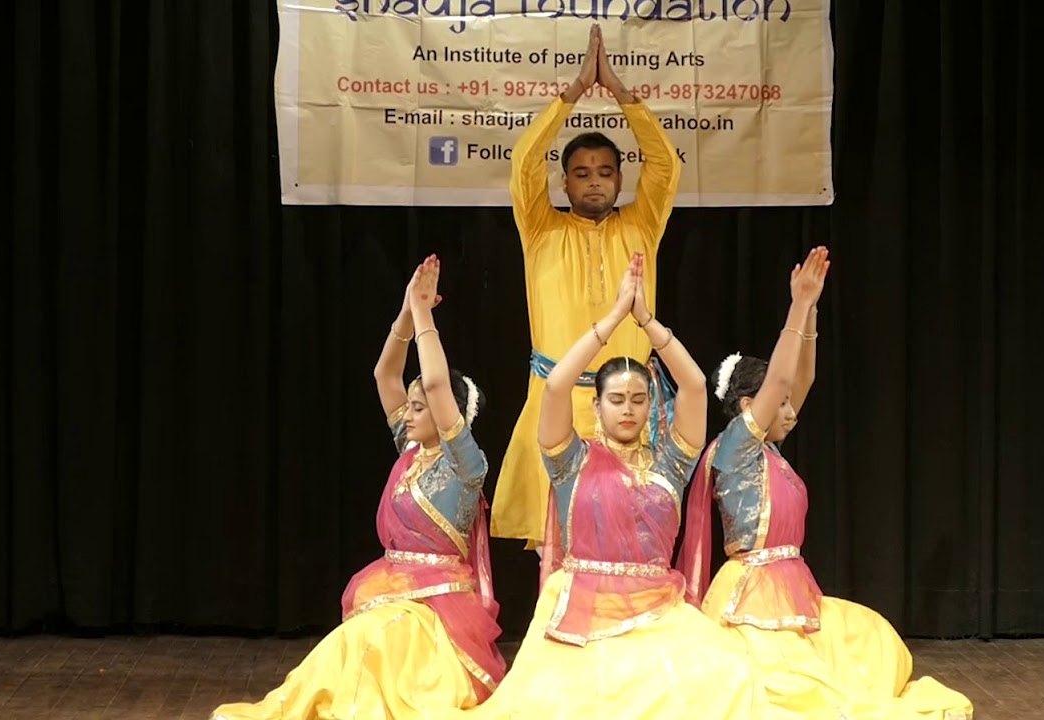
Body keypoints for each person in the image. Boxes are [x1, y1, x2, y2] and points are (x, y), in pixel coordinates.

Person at [443, 255, 758, 719]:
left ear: (651, 403)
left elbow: (692, 385)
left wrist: (646, 321)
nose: (627, 409)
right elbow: (553, 388)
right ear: (597, 404)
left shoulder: (671, 463)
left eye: (638, 399)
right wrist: (611, 320)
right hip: (581, 614)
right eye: (616, 399)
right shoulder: (571, 461)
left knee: (731, 678)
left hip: (659, 616)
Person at [677, 247, 974, 720]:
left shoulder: (767, 450)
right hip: (753, 592)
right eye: (781, 405)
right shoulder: (736, 446)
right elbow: (780, 381)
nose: (792, 413)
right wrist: (797, 306)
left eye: (792, 405)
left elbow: (801, 376)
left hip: (790, 583)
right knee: (790, 688)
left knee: (871, 641)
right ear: (750, 405)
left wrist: (811, 310)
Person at [211, 255, 506, 720]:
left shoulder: (466, 465)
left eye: (420, 408)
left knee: (379, 645)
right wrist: (406, 315)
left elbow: (432, 380)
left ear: (451, 416)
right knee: (352, 643)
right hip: (391, 592)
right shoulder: (409, 452)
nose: (408, 414)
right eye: (408, 407)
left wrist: (425, 311)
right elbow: (385, 375)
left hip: (438, 612)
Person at [490, 24, 682, 552]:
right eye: (580, 173)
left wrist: (619, 92)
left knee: (628, 533)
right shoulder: (540, 229)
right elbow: (525, 163)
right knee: (556, 538)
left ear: (620, 180)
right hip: (558, 401)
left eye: (604, 171)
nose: (593, 180)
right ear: (565, 183)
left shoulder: (640, 224)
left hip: (628, 405)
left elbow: (664, 163)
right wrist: (573, 91)